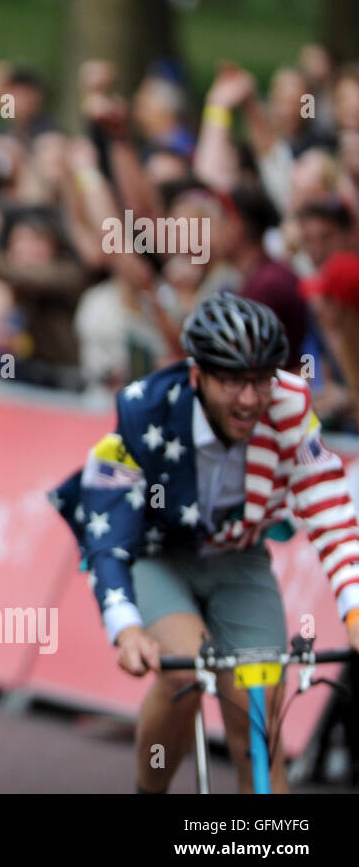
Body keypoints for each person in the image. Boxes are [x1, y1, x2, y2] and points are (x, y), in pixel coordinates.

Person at [50, 292, 359, 793]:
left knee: (258, 711)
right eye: (232, 380)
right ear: (197, 375)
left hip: (239, 557)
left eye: (260, 380)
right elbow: (105, 531)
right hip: (158, 555)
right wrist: (127, 629)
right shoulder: (144, 409)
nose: (249, 398)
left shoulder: (290, 407)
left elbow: (330, 515)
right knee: (182, 674)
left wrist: (355, 611)